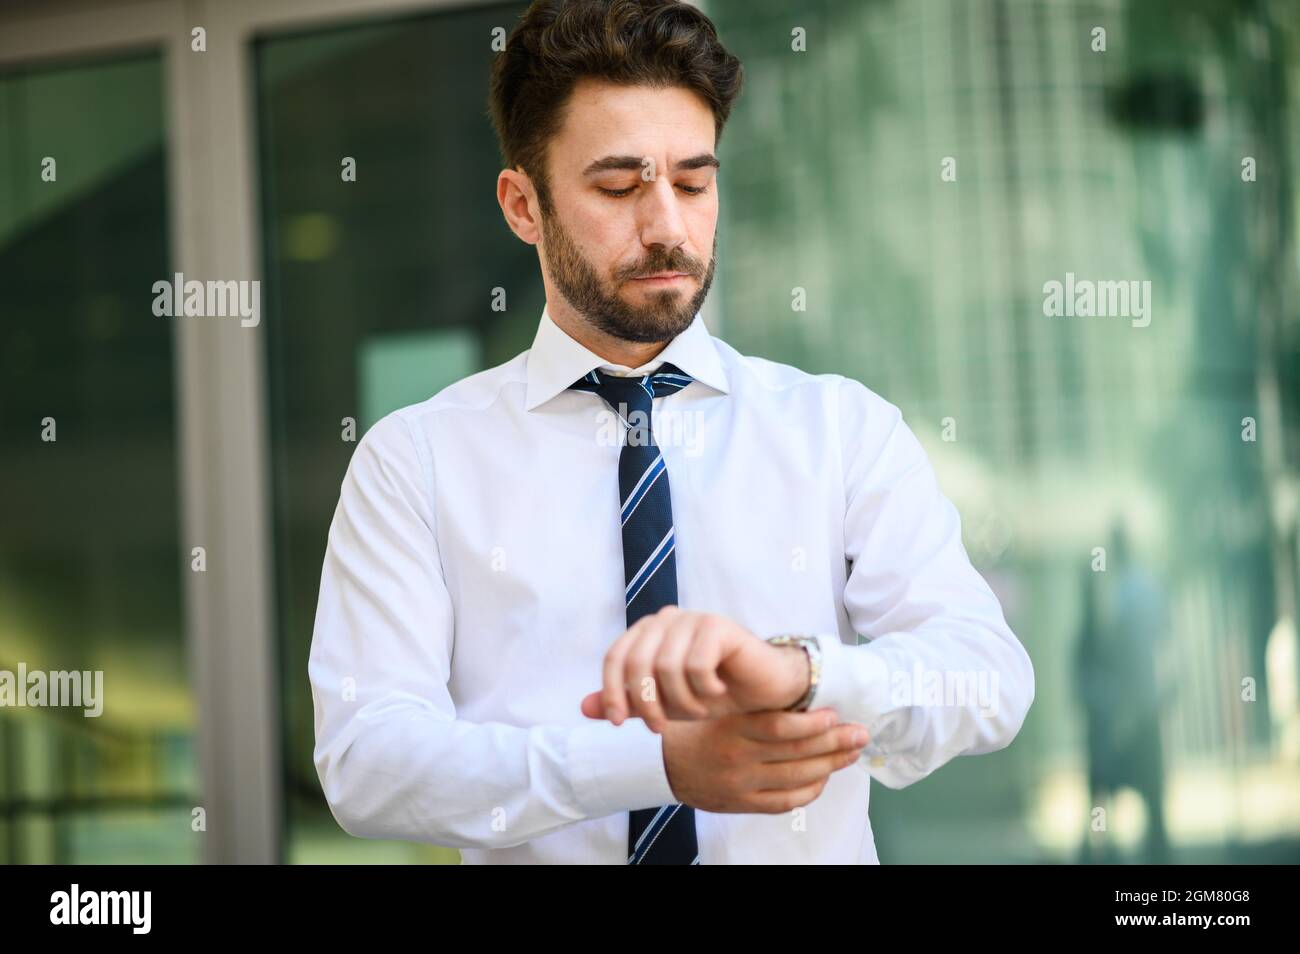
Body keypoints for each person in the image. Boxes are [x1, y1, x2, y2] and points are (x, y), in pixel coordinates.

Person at [308, 0, 1034, 865]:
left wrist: (805, 674)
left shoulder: (838, 429)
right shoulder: (417, 462)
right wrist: (652, 765)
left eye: (693, 183)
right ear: (522, 204)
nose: (668, 228)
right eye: (618, 186)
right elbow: (366, 761)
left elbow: (989, 678)